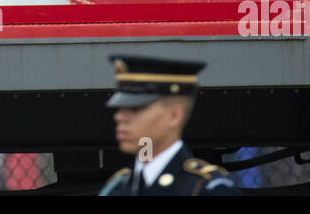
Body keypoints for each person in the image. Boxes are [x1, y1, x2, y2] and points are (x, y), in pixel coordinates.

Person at [99, 54, 237, 196]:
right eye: (121, 108)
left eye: (136, 108)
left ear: (174, 115)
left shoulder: (206, 188)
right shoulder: (118, 187)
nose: (119, 117)